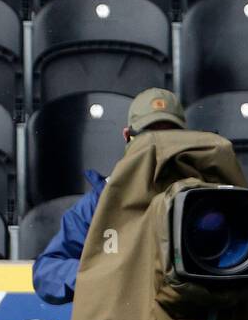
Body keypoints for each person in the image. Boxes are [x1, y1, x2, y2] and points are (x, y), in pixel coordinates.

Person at [32, 88, 187, 304]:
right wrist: (107, 274)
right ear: (128, 136)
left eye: (170, 135)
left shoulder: (202, 196)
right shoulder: (101, 201)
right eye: (149, 135)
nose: (159, 144)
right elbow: (46, 272)